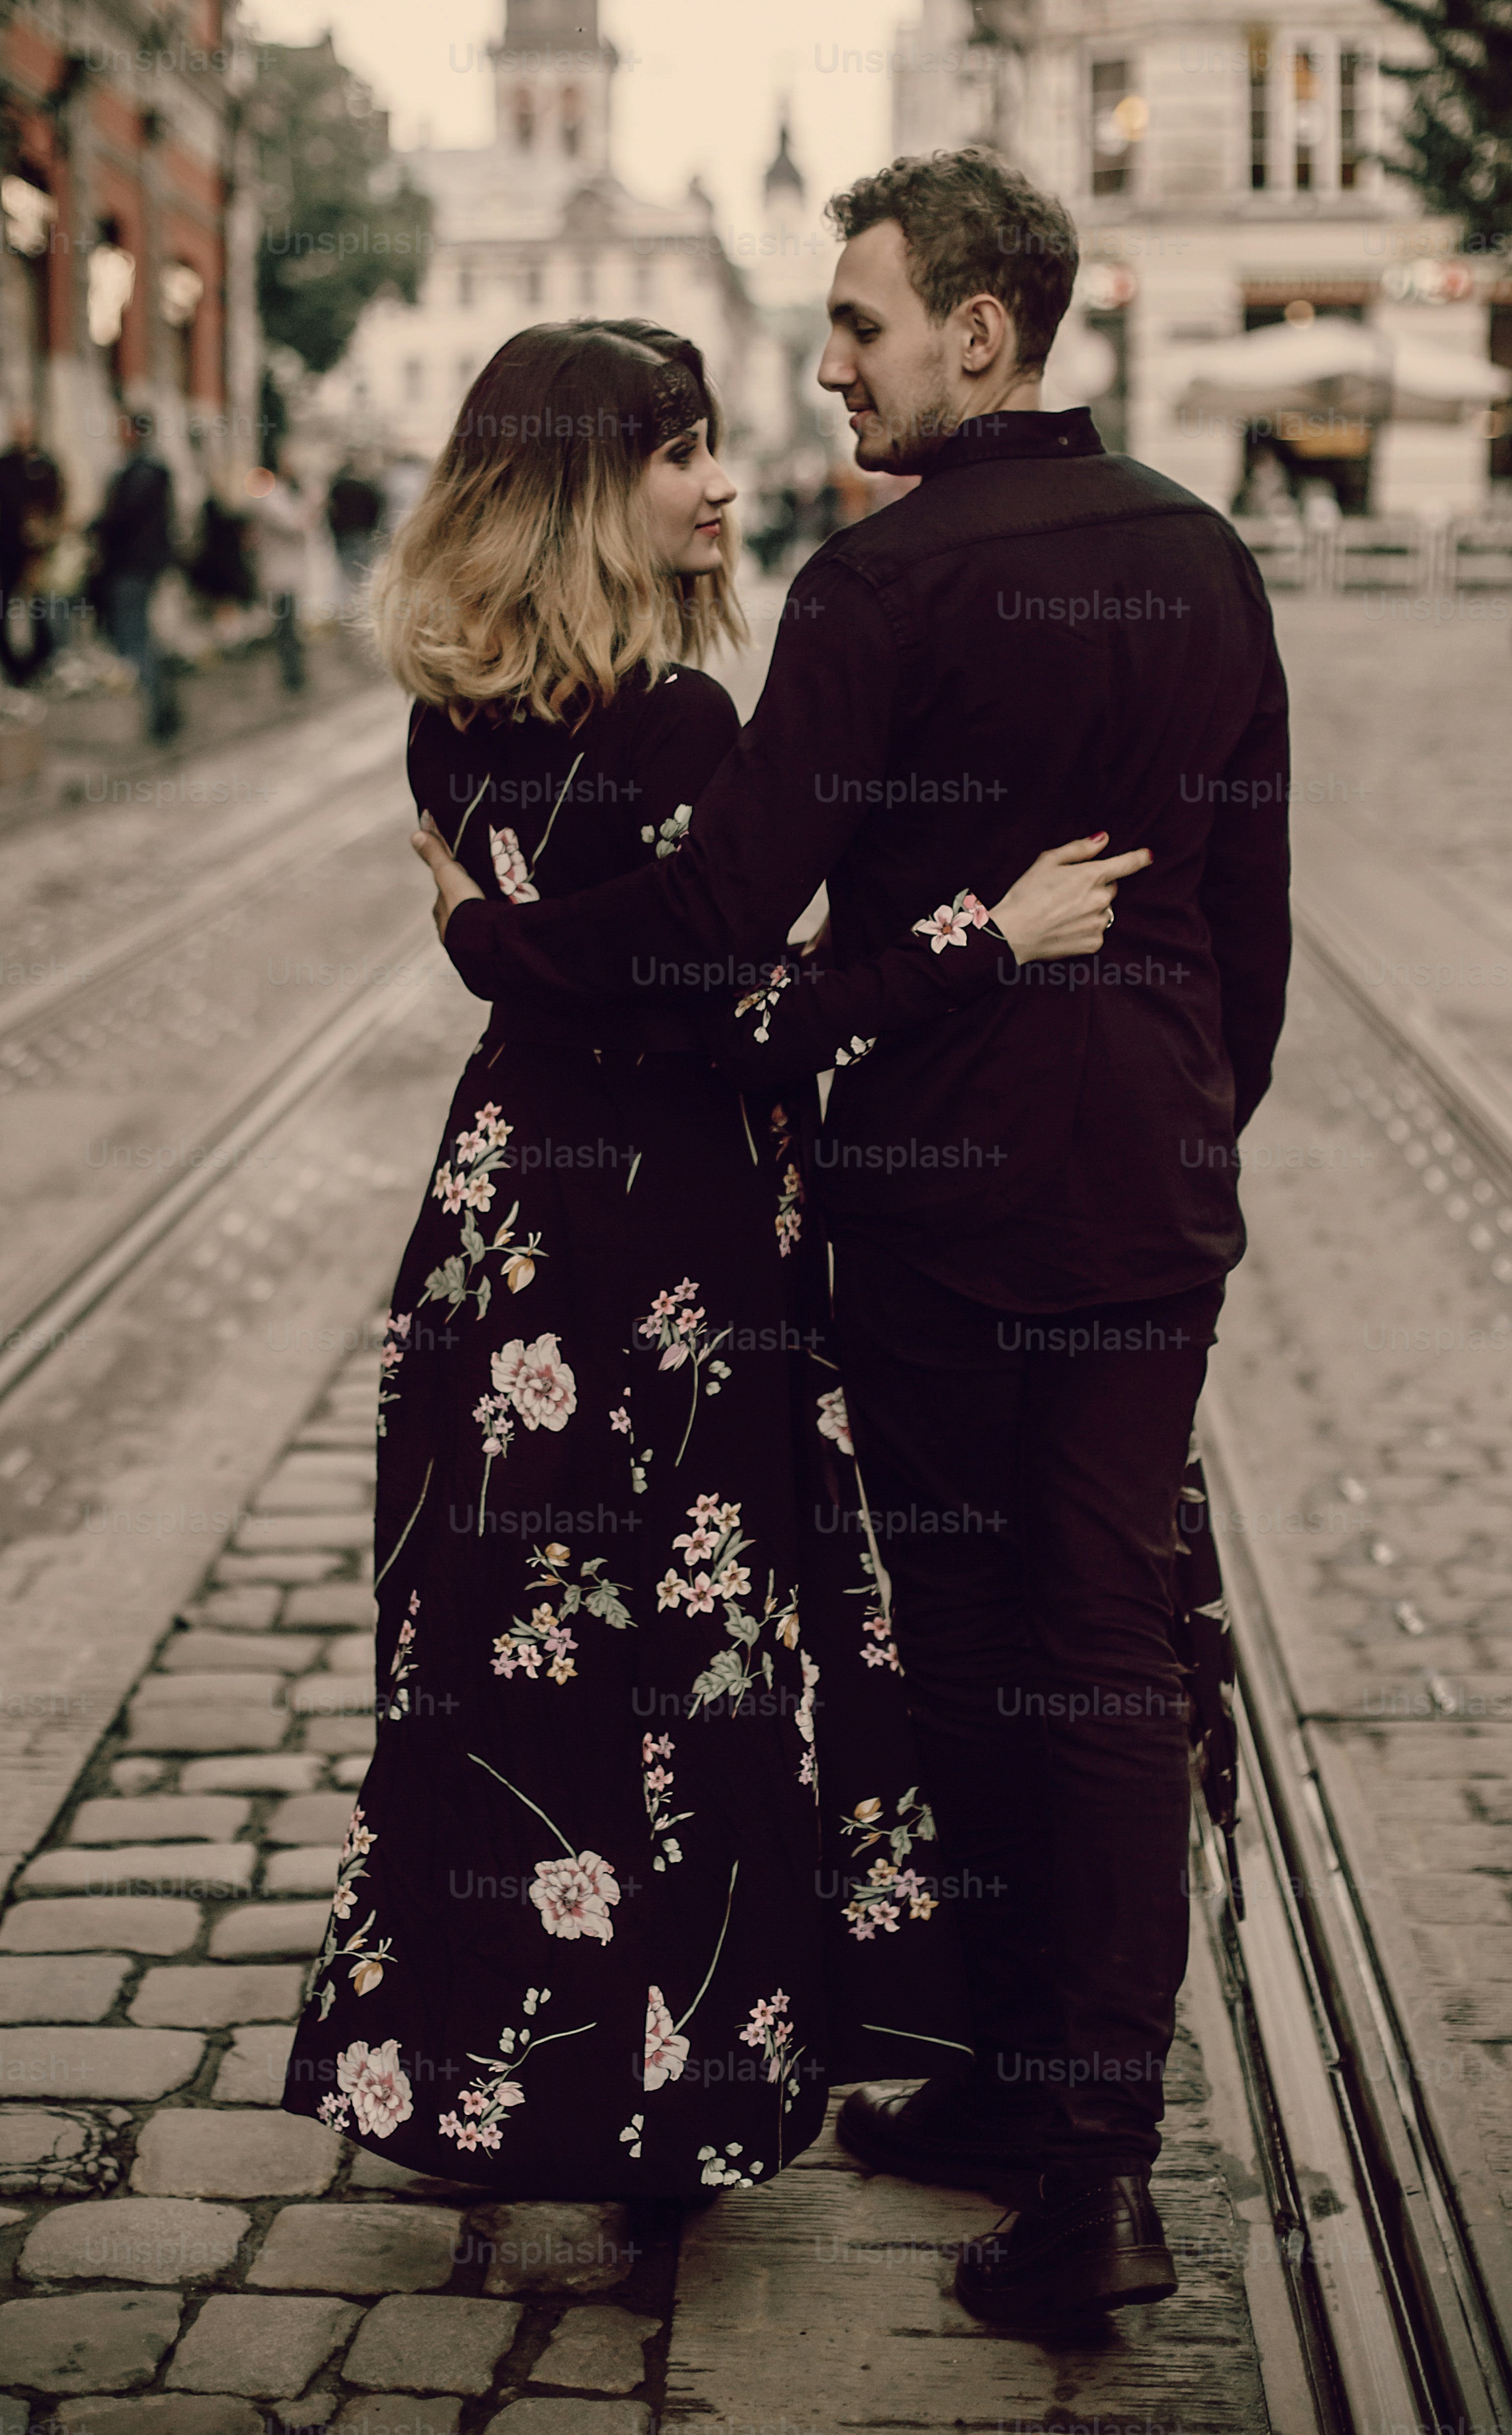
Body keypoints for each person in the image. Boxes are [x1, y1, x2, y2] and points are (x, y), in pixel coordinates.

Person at [411, 147, 1291, 2326]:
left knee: (984, 1640)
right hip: (1134, 1187)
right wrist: (1182, 1107)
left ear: (969, 335)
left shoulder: (876, 591)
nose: (826, 371)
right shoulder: (1196, 555)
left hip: (922, 1200)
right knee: (1090, 1647)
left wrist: (488, 934)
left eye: (856, 329)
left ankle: (1046, 2131)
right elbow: (1247, 909)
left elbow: (719, 923)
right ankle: (1052, 2126)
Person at [278, 318, 1138, 2200]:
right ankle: (677, 2087)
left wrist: (490, 952)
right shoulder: (674, 728)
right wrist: (986, 937)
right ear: (589, 483)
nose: (723, 480)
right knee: (692, 1656)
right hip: (662, 1248)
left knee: (495, 1657)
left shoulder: (452, 713)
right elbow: (736, 1014)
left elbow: (555, 962)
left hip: (501, 1236)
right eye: (676, 452)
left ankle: (483, 2074)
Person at [92, 412, 181, 740]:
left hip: (132, 567)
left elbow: (123, 518)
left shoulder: (141, 473)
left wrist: (95, 527)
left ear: (134, 432)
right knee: (142, 637)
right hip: (143, 565)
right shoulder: (153, 471)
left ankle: (157, 715)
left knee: (134, 638)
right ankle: (163, 711)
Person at [0, 411, 64, 685]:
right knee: (4, 607)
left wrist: (47, 529)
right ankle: (15, 669)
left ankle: (40, 662)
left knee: (42, 608)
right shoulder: (4, 465)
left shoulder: (46, 465)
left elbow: (58, 501)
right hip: (8, 549)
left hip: (41, 551)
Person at [252, 453, 318, 690]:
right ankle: (293, 678)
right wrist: (311, 503)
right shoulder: (271, 496)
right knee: (285, 628)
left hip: (286, 574)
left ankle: (295, 675)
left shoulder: (283, 494)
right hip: (279, 576)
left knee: (289, 627)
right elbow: (296, 523)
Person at [326, 455, 384, 603]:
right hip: (362, 535)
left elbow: (330, 512)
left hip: (343, 536)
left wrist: (335, 531)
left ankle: (348, 605)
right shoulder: (366, 488)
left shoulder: (338, 488)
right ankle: (360, 604)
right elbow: (376, 509)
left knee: (345, 576)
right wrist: (371, 530)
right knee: (363, 575)